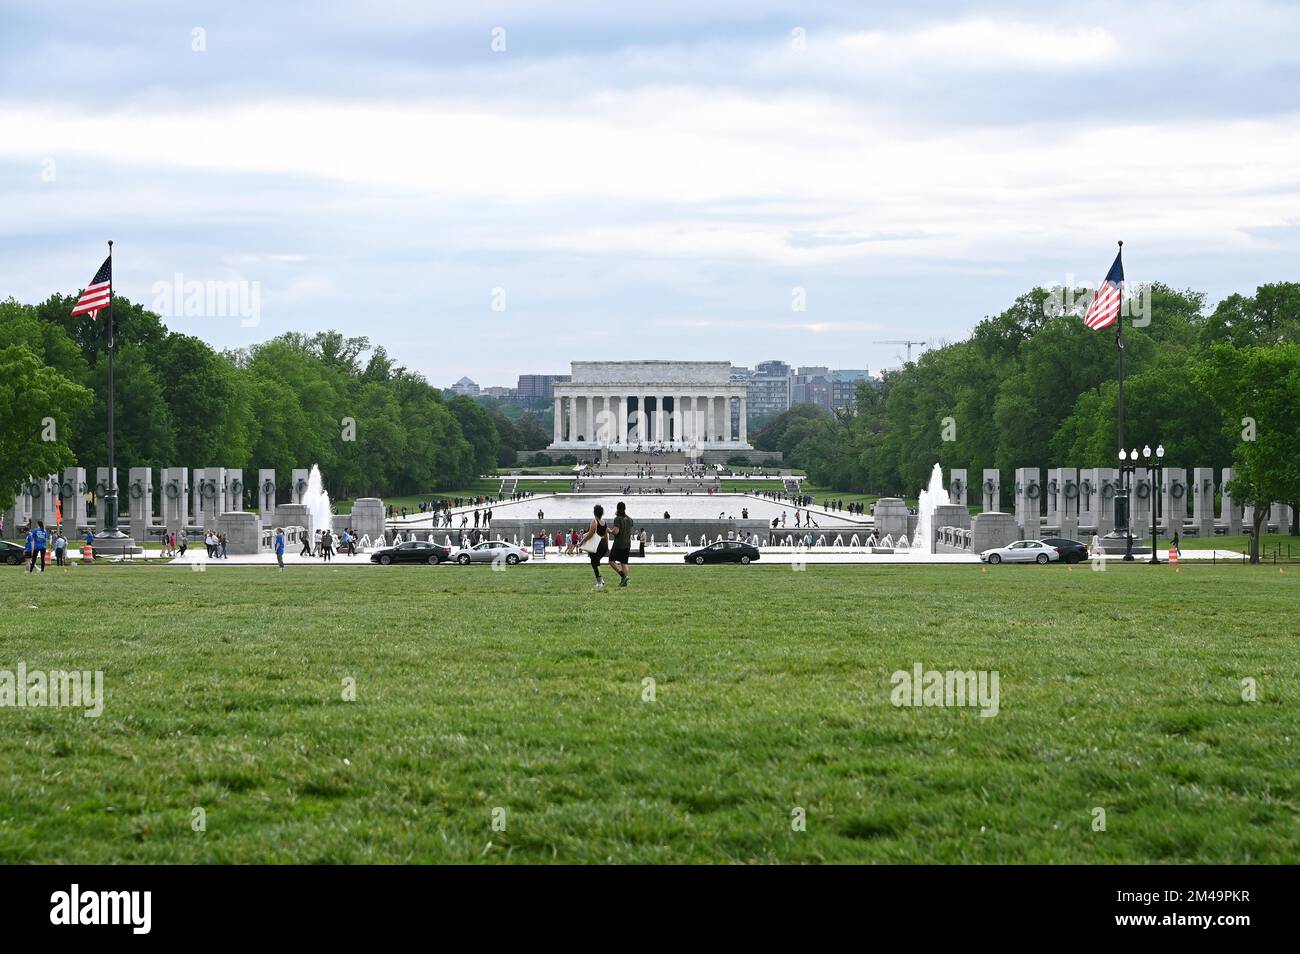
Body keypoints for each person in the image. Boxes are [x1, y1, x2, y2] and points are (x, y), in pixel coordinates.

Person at [578, 504, 609, 588]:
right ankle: (600, 580)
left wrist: (582, 541)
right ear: (602, 513)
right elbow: (606, 535)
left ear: (594, 513)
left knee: (595, 563)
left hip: (596, 545)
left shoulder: (594, 521)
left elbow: (591, 534)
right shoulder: (604, 522)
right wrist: (607, 547)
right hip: (603, 544)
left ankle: (599, 582)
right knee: (596, 563)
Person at [608, 501, 633, 587]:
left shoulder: (617, 519)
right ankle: (624, 582)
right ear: (625, 509)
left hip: (619, 544)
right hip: (627, 544)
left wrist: (609, 531)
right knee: (624, 563)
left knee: (611, 560)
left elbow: (616, 532)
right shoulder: (629, 519)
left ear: (617, 508)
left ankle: (623, 576)